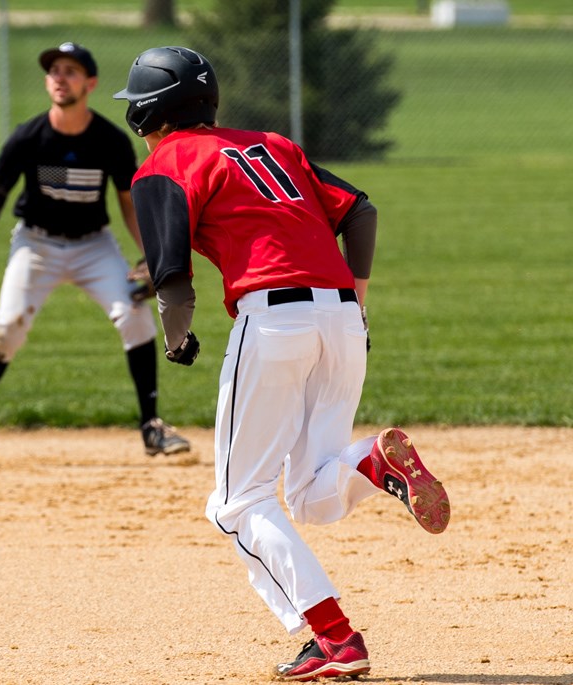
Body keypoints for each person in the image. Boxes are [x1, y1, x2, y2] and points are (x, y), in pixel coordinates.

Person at [113, 46, 451, 681]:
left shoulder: (166, 161)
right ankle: (370, 461)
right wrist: (355, 302)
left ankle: (332, 637)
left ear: (148, 111)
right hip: (342, 318)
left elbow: (170, 275)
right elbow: (360, 211)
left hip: (273, 322)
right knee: (313, 497)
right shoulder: (271, 143)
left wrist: (176, 336)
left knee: (236, 504)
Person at [0, 42, 190, 466]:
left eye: (70, 71)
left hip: (93, 245)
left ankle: (151, 426)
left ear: (90, 83)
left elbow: (130, 203)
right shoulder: (28, 137)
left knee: (134, 317)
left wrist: (151, 254)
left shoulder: (110, 141)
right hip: (36, 244)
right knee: (8, 328)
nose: (60, 77)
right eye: (54, 70)